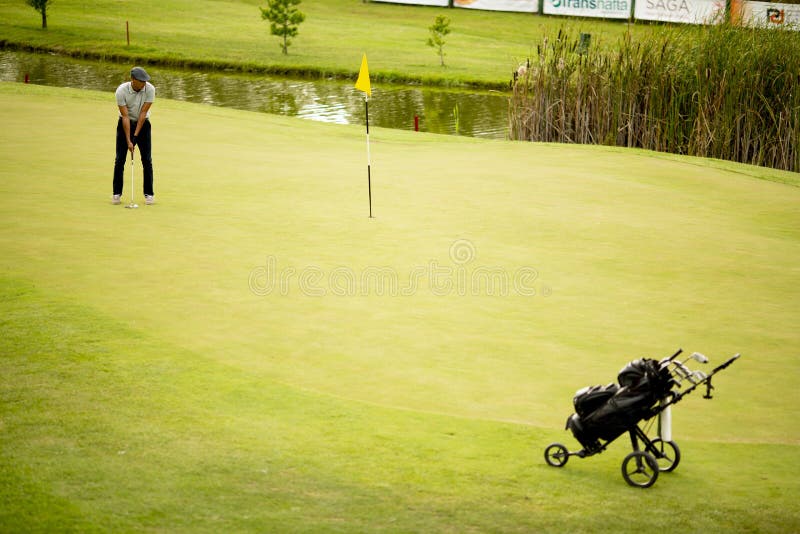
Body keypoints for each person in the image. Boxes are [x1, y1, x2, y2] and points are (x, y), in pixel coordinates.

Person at [112, 66, 156, 205]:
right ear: (132, 80)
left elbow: (143, 114)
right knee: (120, 160)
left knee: (147, 160)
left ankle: (149, 194)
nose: (144, 84)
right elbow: (125, 116)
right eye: (141, 81)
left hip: (143, 125)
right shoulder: (121, 91)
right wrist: (128, 140)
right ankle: (116, 194)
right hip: (125, 123)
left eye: (145, 81)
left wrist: (135, 137)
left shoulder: (150, 89)